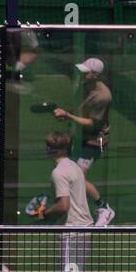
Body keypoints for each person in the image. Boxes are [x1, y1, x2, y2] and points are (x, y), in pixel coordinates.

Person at [38, 131, 94, 272]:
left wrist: (44, 214)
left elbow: (63, 205)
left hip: (72, 232)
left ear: (49, 150)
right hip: (85, 228)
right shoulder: (75, 167)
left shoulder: (59, 172)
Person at [53, 58, 116, 227]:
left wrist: (69, 116)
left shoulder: (103, 96)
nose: (81, 73)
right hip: (81, 136)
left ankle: (105, 209)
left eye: (85, 71)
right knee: (71, 174)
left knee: (79, 176)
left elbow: (92, 123)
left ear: (95, 75)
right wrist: (66, 116)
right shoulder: (83, 85)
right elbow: (79, 108)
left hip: (96, 140)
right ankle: (72, 212)